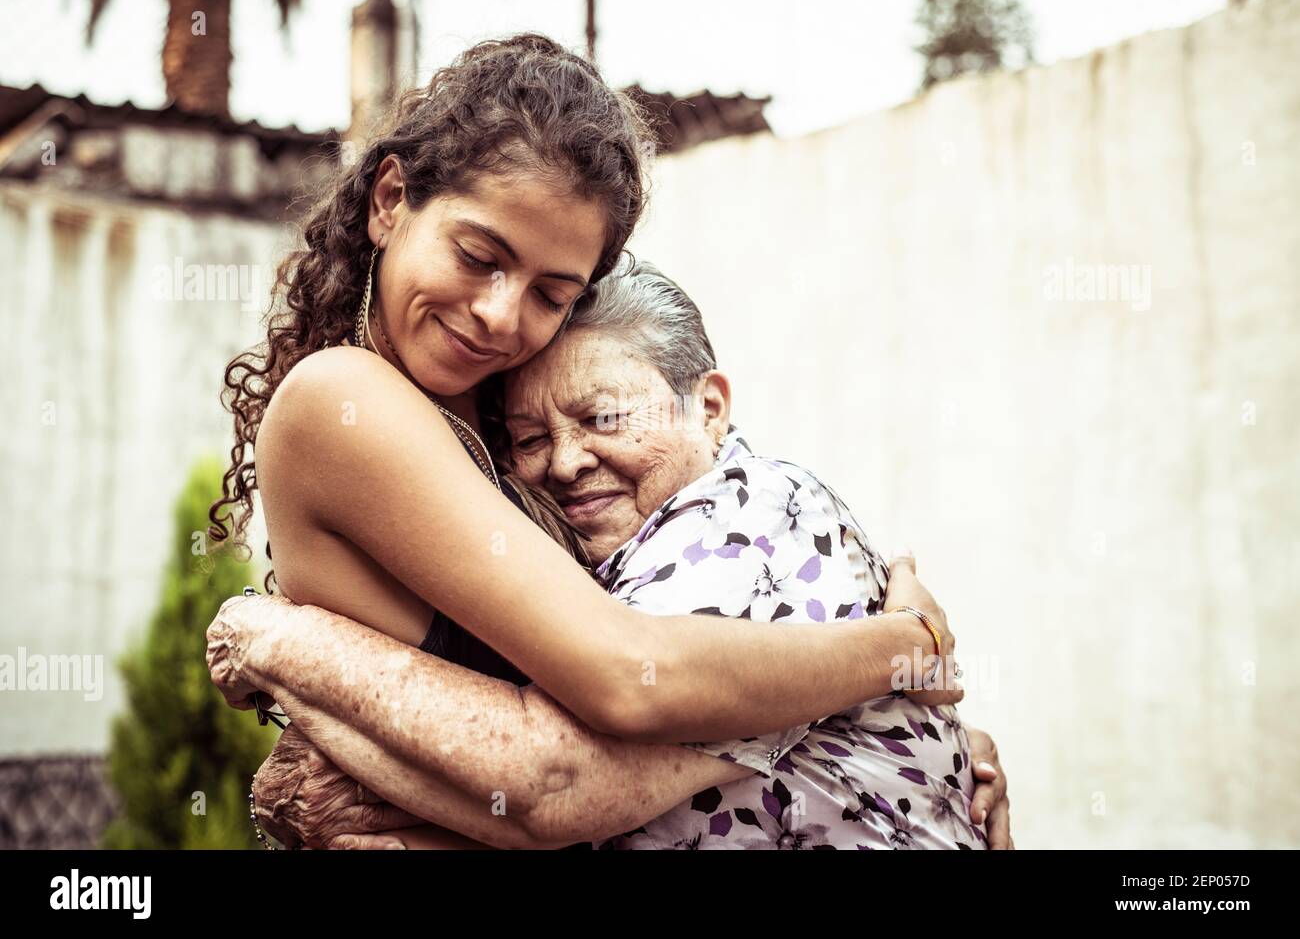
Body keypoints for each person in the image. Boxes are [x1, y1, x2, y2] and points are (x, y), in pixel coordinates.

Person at [210, 262, 1012, 849]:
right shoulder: (601, 578)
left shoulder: (749, 516)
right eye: (527, 439)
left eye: (604, 417)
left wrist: (268, 638)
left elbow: (552, 783)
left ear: (709, 407)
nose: (564, 461)